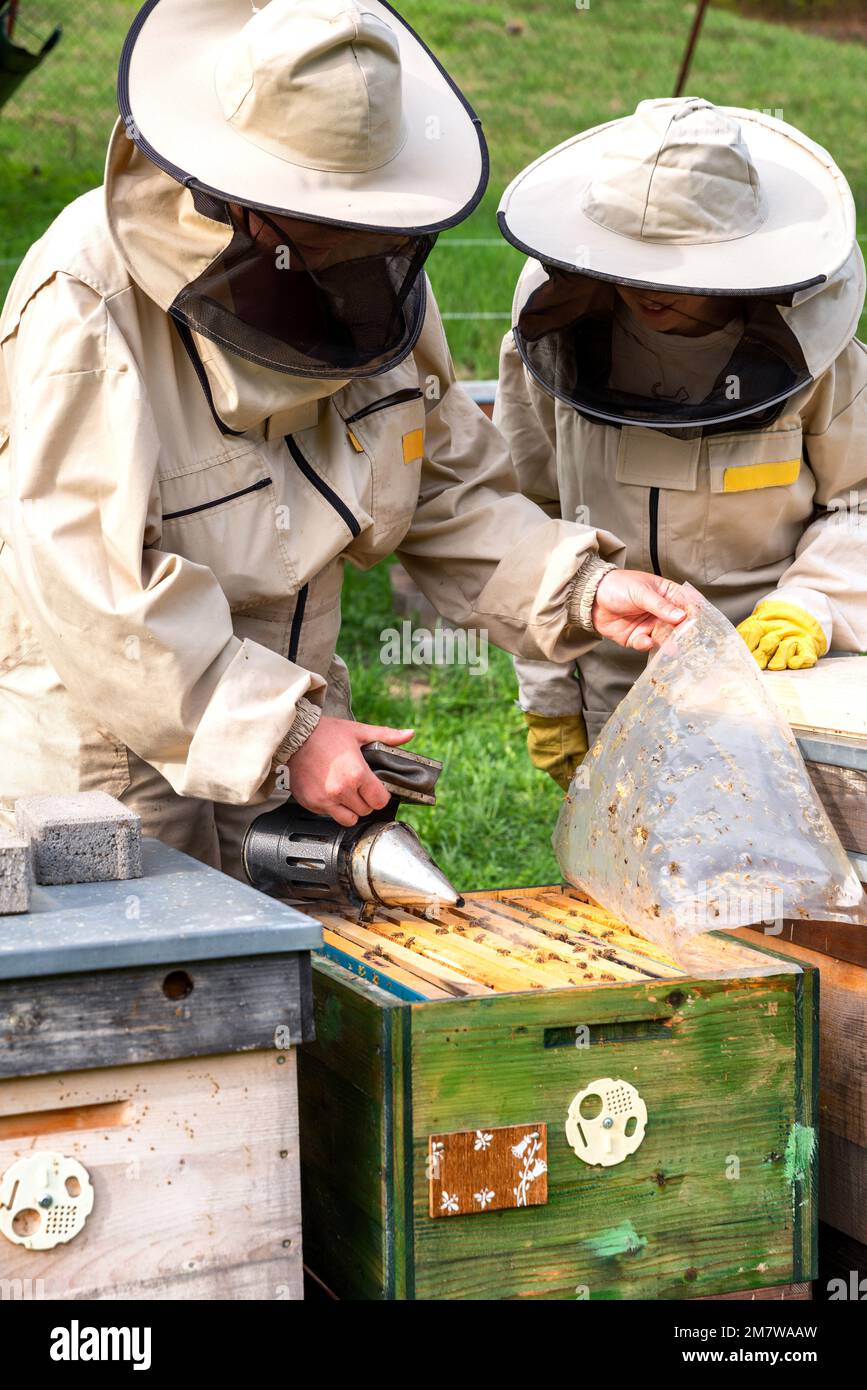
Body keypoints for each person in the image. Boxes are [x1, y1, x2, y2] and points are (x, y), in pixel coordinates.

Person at [0, 0, 684, 878]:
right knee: (163, 997)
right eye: (334, 220)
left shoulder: (375, 274)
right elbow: (92, 589)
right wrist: (282, 730)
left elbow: (441, 486)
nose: (363, 246)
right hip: (110, 755)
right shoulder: (85, 299)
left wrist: (580, 585)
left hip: (301, 716)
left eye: (377, 219)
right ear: (241, 197)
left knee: (298, 988)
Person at [494, 97, 867, 790]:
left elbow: (860, 505)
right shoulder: (551, 351)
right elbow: (524, 516)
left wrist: (811, 604)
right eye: (631, 262)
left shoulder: (825, 364)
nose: (646, 288)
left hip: (778, 685)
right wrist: (546, 692)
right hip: (614, 678)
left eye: (675, 268)